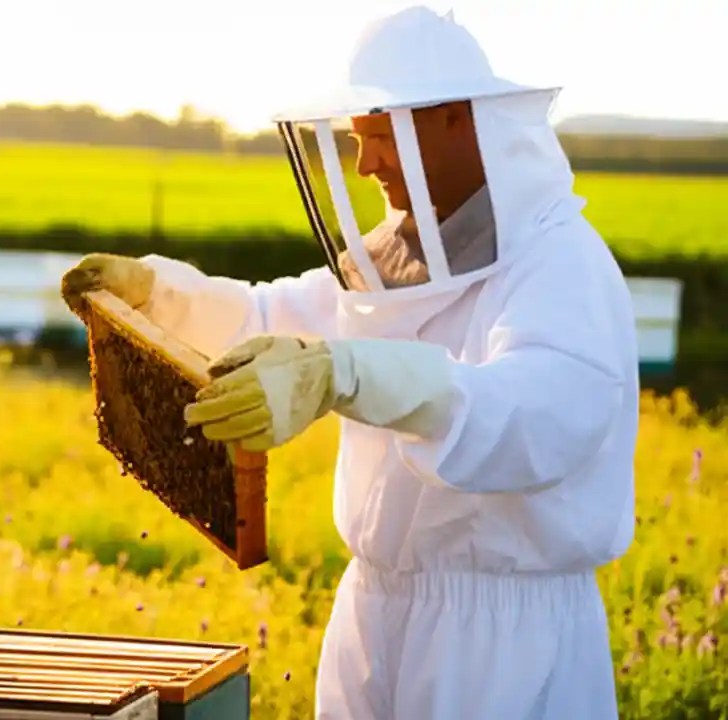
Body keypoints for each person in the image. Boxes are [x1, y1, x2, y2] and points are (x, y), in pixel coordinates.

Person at [61, 7, 637, 720]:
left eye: (379, 137)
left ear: (456, 117)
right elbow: (270, 322)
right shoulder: (397, 250)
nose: (365, 165)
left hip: (503, 640)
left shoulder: (559, 261)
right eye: (358, 142)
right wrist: (159, 292)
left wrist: (351, 373)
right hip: (371, 611)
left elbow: (537, 415)